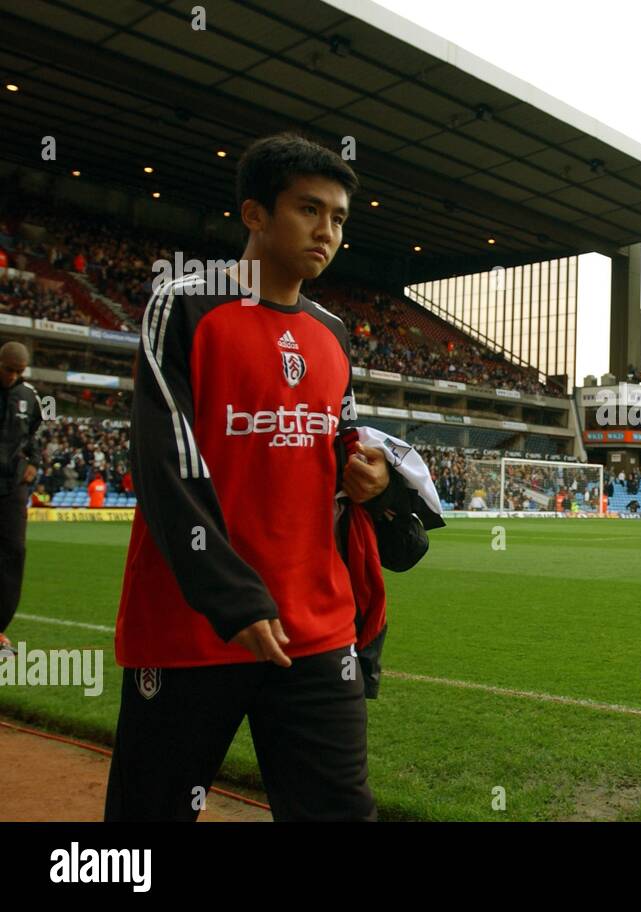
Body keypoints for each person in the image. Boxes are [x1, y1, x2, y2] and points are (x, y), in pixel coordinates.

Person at [105, 133, 400, 822]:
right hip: (191, 628)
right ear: (255, 215)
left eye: (338, 219)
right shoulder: (182, 305)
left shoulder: (334, 332)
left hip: (317, 631)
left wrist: (369, 479)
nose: (327, 231)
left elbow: (339, 449)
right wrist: (233, 599)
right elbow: (165, 462)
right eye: (309, 210)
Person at [0, 341, 41, 660]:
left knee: (15, 552)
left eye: (19, 371)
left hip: (12, 486)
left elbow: (36, 434)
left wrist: (34, 463)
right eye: (8, 369)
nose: (13, 376)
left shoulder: (29, 395)